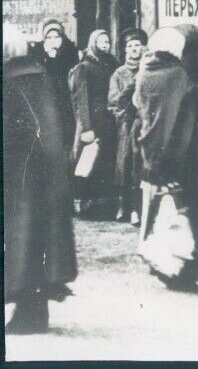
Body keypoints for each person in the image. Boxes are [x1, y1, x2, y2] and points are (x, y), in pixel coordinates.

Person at [4, 26, 77, 335]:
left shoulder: (10, 81)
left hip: (20, 175)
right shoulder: (40, 75)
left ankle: (28, 314)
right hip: (47, 173)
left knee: (21, 243)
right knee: (40, 241)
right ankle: (34, 311)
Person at [135, 26, 198, 289]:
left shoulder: (144, 71)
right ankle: (180, 269)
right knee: (180, 211)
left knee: (159, 210)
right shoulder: (179, 75)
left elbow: (138, 104)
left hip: (149, 148)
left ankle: (161, 264)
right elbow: (182, 118)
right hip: (175, 152)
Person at [69, 29, 119, 217]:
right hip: (93, 119)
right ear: (93, 43)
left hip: (108, 120)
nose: (105, 45)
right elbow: (81, 98)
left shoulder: (111, 63)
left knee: (105, 160)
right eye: (101, 42)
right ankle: (86, 206)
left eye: (107, 41)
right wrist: (86, 127)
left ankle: (104, 206)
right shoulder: (85, 66)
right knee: (88, 159)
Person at [108, 27, 148, 224]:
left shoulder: (148, 69)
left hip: (144, 122)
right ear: (125, 50)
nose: (134, 49)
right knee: (124, 163)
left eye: (137, 45)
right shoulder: (119, 74)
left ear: (143, 48)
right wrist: (123, 116)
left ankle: (138, 208)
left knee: (140, 163)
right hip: (125, 123)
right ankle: (123, 205)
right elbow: (113, 101)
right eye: (130, 46)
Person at [36, 18, 78, 154]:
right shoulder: (38, 53)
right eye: (49, 37)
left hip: (67, 101)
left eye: (56, 36)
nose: (53, 40)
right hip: (45, 103)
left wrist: (55, 58)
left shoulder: (71, 52)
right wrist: (48, 58)